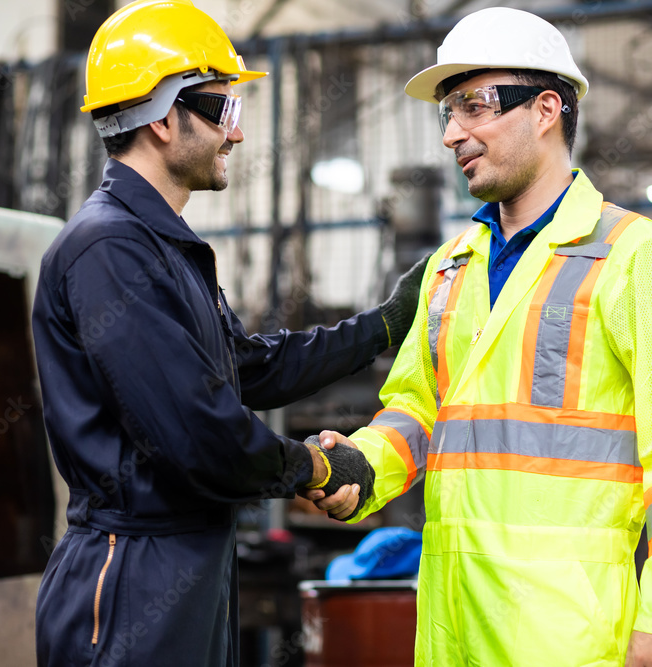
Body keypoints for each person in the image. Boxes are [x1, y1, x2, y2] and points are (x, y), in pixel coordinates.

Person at [308, 7, 652, 667]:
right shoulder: (451, 265)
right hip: (452, 623)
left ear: (546, 110)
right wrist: (364, 467)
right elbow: (421, 409)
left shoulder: (635, 255)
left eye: (474, 106)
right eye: (447, 113)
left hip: (565, 634)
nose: (453, 133)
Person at [31, 2, 422, 665]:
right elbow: (197, 430)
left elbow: (249, 369)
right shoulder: (110, 250)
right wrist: (315, 466)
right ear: (160, 117)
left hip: (183, 560)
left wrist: (381, 325)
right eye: (222, 110)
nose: (235, 135)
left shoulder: (160, 244)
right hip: (131, 575)